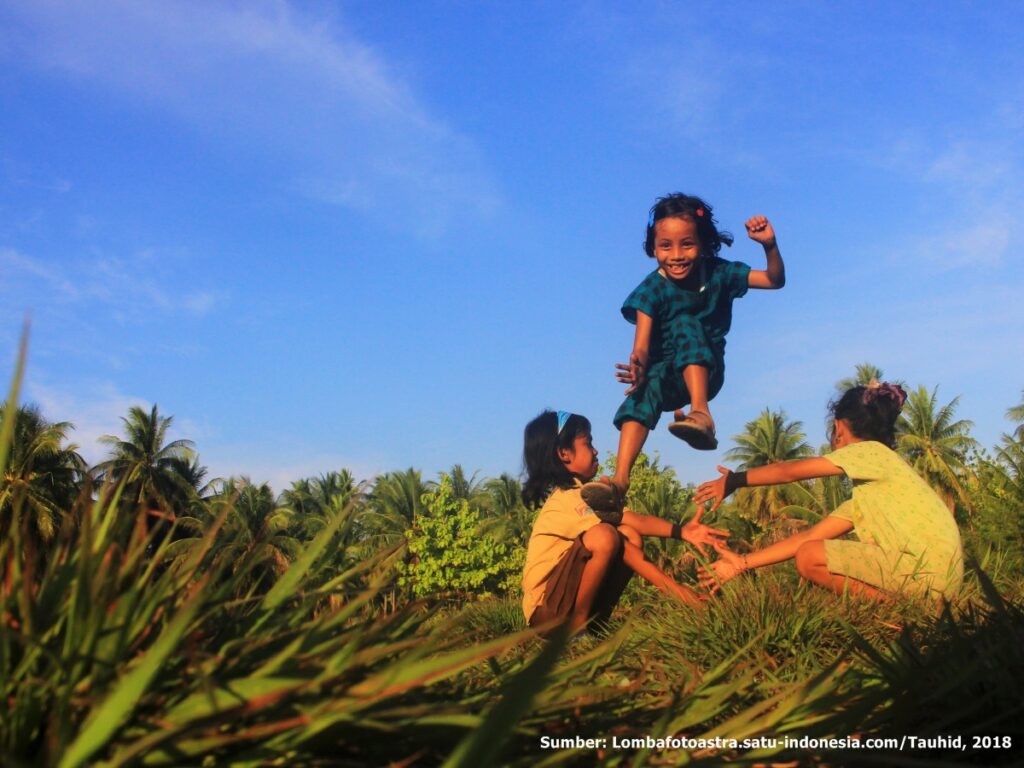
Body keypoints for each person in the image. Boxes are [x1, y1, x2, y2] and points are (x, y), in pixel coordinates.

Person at [583, 193, 785, 512]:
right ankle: (620, 481)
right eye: (666, 246)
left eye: (687, 244)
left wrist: (769, 245)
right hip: (665, 376)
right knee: (642, 390)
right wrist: (638, 367)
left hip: (707, 371)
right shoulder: (652, 288)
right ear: (653, 248)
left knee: (685, 323)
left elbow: (774, 281)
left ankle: (701, 413)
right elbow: (641, 347)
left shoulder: (721, 273)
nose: (676, 256)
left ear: (704, 243)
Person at [694, 381, 964, 603]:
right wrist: (741, 562)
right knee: (811, 553)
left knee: (810, 557)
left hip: (927, 574)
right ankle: (903, 609)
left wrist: (735, 480)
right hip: (940, 582)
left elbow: (789, 472)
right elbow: (811, 535)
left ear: (839, 429)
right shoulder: (876, 487)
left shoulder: (871, 453)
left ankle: (896, 608)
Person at [521, 409, 727, 635]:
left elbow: (633, 523)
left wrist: (682, 532)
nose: (595, 450)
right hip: (546, 612)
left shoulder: (583, 492)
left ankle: (594, 627)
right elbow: (625, 524)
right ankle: (577, 629)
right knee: (605, 536)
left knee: (628, 535)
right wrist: (677, 590)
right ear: (564, 453)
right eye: (588, 443)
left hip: (561, 605)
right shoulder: (567, 497)